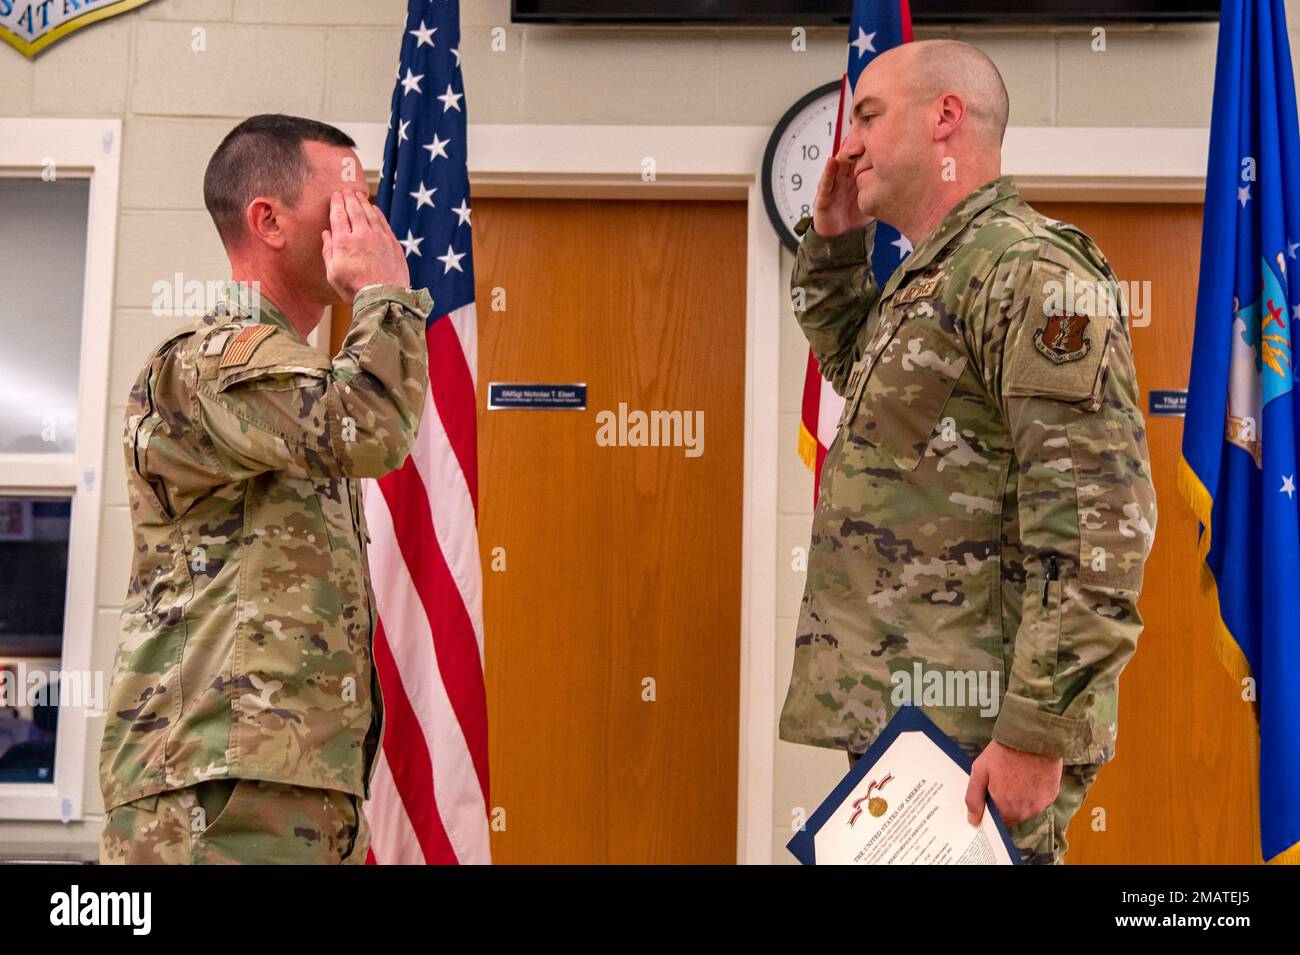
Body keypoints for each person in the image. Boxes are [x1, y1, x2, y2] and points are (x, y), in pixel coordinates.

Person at [778, 40, 1158, 864]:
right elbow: (858, 370)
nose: (849, 144)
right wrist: (836, 243)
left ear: (946, 115)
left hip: (978, 727)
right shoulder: (933, 277)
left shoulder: (1030, 269)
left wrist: (1036, 730)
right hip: (909, 720)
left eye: (869, 116)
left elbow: (1096, 520)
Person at [98, 114, 431, 864]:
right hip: (217, 795)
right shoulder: (216, 362)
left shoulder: (298, 377)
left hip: (290, 788)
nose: (369, 222)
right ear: (268, 220)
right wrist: (383, 288)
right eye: (346, 201)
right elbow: (372, 426)